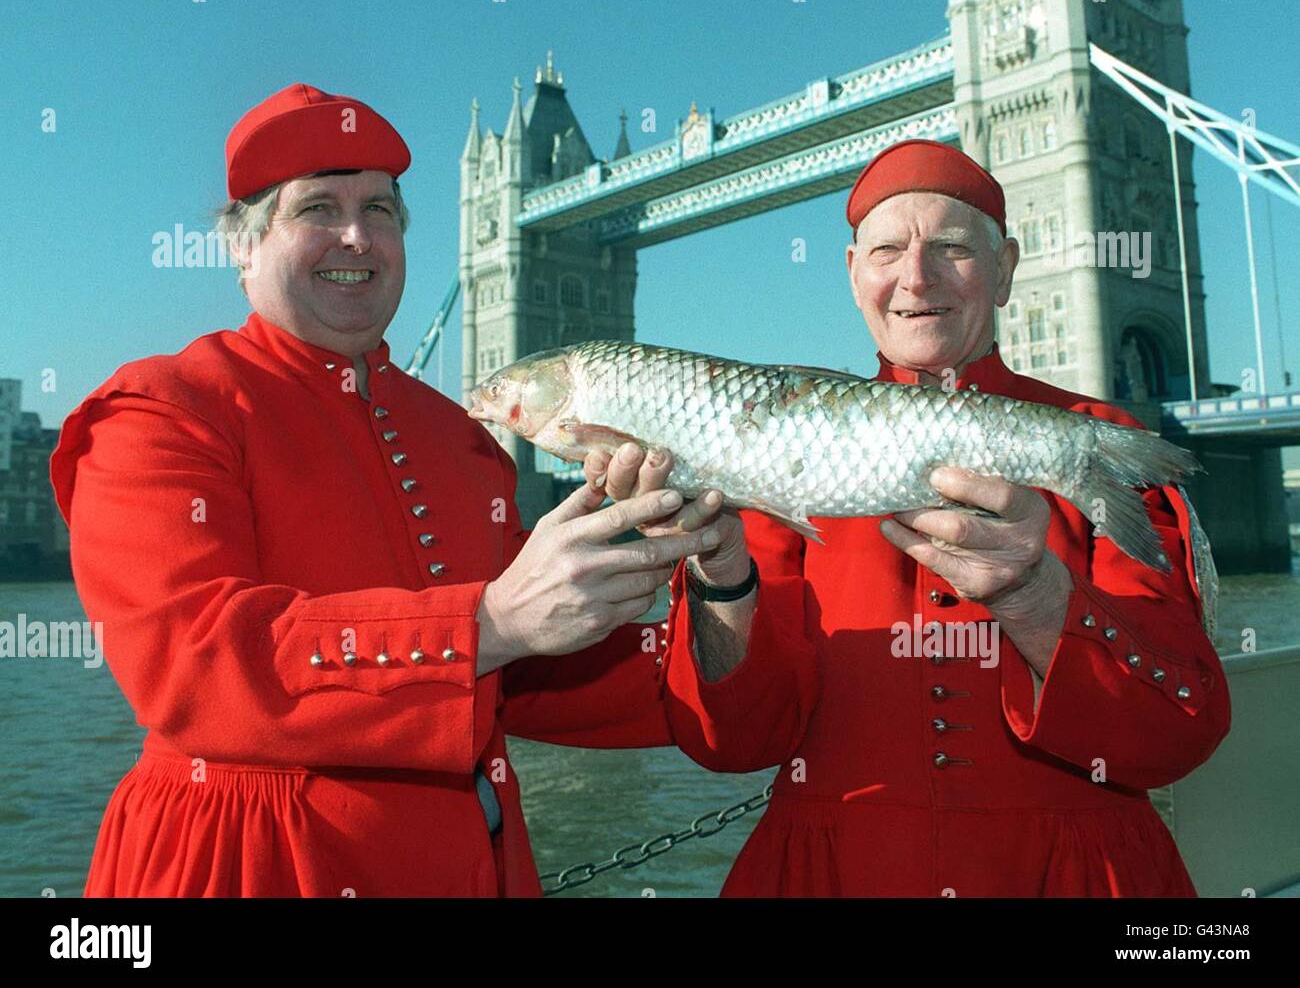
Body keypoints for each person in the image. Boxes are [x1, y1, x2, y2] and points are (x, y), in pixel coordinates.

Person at [49, 82, 731, 897]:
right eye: (317, 208)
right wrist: (490, 621)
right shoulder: (160, 412)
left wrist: (722, 579)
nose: (356, 236)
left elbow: (568, 675)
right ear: (243, 245)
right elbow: (196, 664)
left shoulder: (465, 442)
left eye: (380, 210)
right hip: (245, 868)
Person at [588, 139, 1231, 897]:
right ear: (854, 273)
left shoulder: (1102, 446)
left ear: (1007, 270)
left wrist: (1038, 600)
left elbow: (1180, 729)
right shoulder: (770, 462)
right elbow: (734, 741)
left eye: (953, 247)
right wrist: (719, 574)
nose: (916, 277)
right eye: (888, 249)